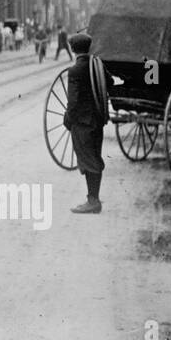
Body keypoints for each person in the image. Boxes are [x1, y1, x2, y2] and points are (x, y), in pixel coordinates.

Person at [63, 33, 108, 214]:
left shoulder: (75, 71)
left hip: (82, 123)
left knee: (88, 160)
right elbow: (109, 84)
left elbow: (72, 102)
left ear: (73, 49)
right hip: (97, 120)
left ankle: (93, 201)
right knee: (95, 158)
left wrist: (68, 120)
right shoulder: (98, 65)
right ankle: (94, 197)